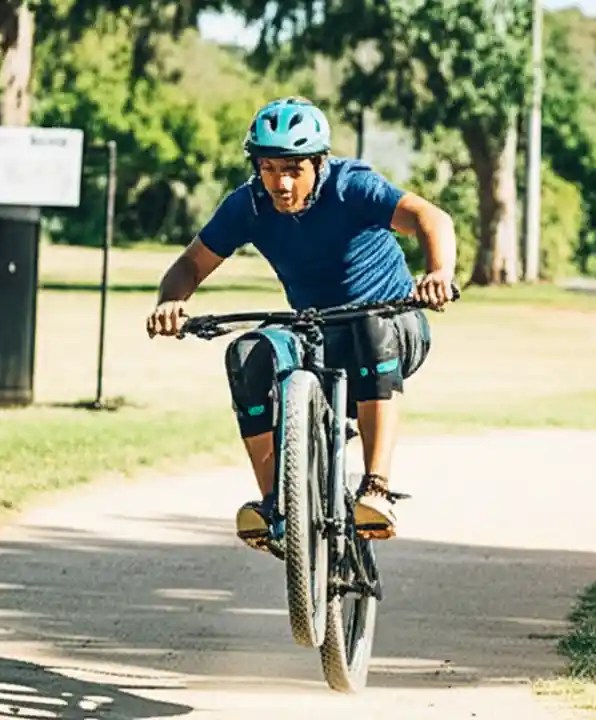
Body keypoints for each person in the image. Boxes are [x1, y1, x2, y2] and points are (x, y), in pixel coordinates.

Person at [145, 96, 457, 551]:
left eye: (293, 169)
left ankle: (376, 489)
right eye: (269, 168)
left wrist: (438, 272)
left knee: (369, 328)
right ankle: (275, 506)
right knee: (248, 354)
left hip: (392, 325)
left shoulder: (352, 188)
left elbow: (432, 217)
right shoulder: (249, 205)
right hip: (317, 330)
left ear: (318, 164)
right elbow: (190, 266)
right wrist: (171, 302)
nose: (280, 182)